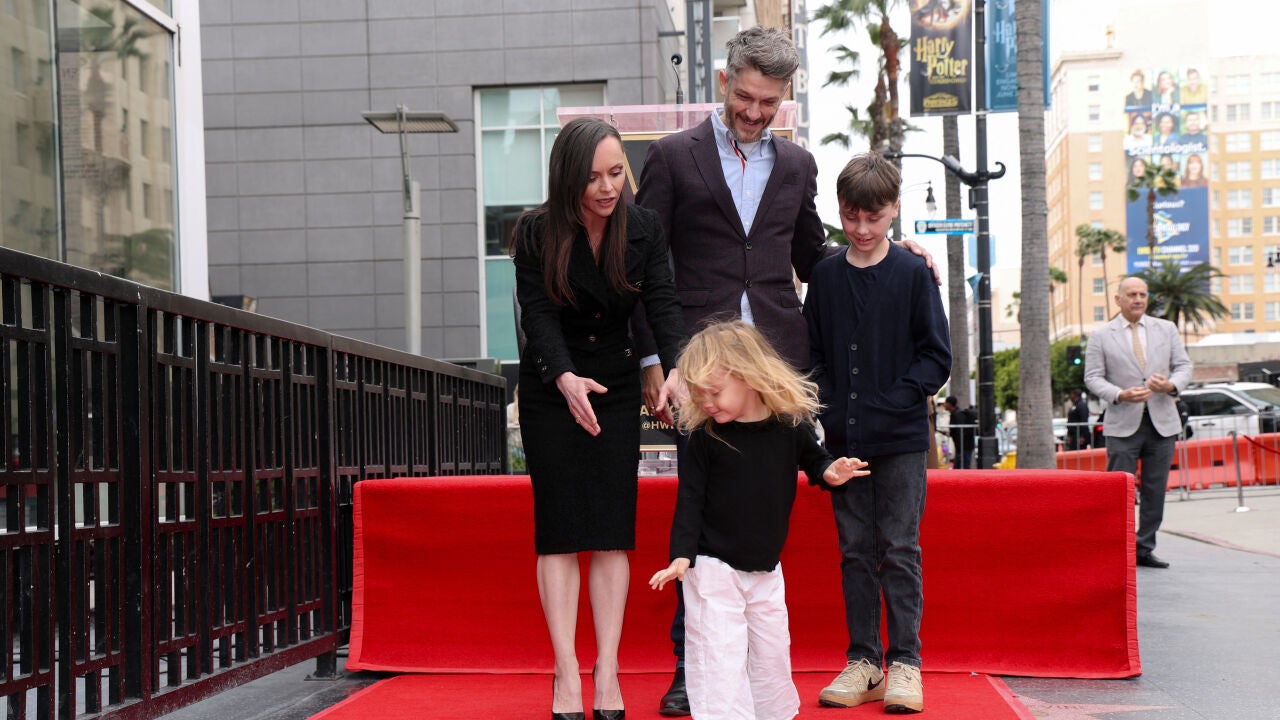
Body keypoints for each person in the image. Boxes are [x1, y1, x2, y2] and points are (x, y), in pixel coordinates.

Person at [631, 26, 938, 716]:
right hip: (702, 374)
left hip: (778, 377)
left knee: (764, 522)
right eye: (745, 97)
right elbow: (646, 265)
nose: (754, 113)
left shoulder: (797, 165)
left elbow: (814, 255)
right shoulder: (673, 157)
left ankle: (772, 671)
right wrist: (657, 361)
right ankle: (692, 672)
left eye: (768, 103)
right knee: (702, 521)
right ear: (724, 82)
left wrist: (891, 251)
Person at [512, 116, 689, 720]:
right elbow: (537, 316)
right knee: (560, 532)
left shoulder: (641, 229)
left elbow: (664, 303)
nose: (608, 187)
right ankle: (565, 672)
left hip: (612, 384)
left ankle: (607, 671)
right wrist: (562, 377)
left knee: (613, 531)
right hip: (549, 384)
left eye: (617, 173)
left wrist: (676, 368)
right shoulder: (536, 232)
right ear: (568, 179)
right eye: (593, 177)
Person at [648, 321, 869, 720]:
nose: (707, 403)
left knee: (771, 650)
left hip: (766, 568)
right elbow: (690, 497)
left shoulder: (789, 426)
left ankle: (772, 714)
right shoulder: (705, 435)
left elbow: (814, 459)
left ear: (748, 377)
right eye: (700, 395)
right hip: (712, 566)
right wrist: (682, 555)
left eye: (714, 392)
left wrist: (830, 472)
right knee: (719, 654)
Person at [804, 152, 951, 714]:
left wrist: (889, 403)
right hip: (845, 439)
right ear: (839, 212)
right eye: (851, 218)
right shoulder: (824, 276)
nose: (862, 230)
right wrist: (834, 408)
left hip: (902, 441)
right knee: (854, 551)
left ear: (894, 209)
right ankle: (864, 660)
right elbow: (812, 355)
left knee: (900, 548)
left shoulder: (914, 273)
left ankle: (906, 664)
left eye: (875, 217)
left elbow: (937, 357)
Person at [1084, 276, 1193, 570]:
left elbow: (1184, 366)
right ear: (1118, 299)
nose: (1138, 299)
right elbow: (1092, 377)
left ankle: (1144, 548)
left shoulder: (1166, 329)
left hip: (1162, 423)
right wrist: (1119, 394)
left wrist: (1171, 385)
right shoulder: (1101, 335)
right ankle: (1117, 548)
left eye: (1142, 294)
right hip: (1123, 424)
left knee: (1155, 490)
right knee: (1119, 490)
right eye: (1131, 294)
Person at [940, 396, 977, 468]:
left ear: (950, 404)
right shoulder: (955, 414)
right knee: (959, 466)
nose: (944, 405)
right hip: (962, 447)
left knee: (963, 466)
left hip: (965, 446)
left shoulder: (957, 415)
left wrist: (960, 451)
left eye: (946, 403)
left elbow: (960, 432)